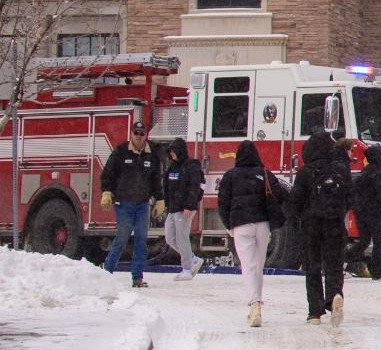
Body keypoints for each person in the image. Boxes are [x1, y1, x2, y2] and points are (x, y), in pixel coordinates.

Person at [217, 140, 284, 328]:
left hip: (241, 225)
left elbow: (223, 202)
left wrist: (228, 225)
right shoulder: (264, 173)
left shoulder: (230, 176)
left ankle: (254, 305)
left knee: (248, 266)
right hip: (263, 225)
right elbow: (280, 194)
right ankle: (256, 304)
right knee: (258, 266)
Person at [288, 131, 352, 326]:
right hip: (335, 223)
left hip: (311, 225)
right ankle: (334, 296)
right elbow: (350, 198)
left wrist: (298, 218)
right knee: (334, 265)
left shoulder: (305, 172)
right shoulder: (341, 170)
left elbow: (295, 202)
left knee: (312, 267)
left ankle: (314, 312)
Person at [99, 119, 164, 288]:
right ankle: (107, 272)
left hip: (142, 204)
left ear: (146, 135)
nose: (139, 137)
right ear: (131, 134)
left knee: (141, 240)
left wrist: (160, 199)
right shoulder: (121, 152)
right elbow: (108, 173)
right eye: (136, 133)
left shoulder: (152, 155)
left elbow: (156, 180)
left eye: (142, 134)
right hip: (123, 203)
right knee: (122, 237)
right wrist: (106, 191)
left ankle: (137, 277)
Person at [161, 138, 206, 281]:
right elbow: (167, 187)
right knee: (170, 237)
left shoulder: (191, 166)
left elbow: (196, 187)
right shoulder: (172, 167)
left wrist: (190, 205)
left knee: (182, 237)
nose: (172, 154)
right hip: (173, 208)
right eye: (170, 152)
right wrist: (167, 205)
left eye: (173, 151)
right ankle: (192, 259)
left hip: (185, 209)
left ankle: (187, 269)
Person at [346, 142, 381, 280]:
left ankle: (343, 260)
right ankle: (377, 271)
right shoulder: (378, 172)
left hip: (361, 211)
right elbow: (380, 194)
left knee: (364, 241)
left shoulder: (364, 172)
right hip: (374, 211)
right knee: (377, 242)